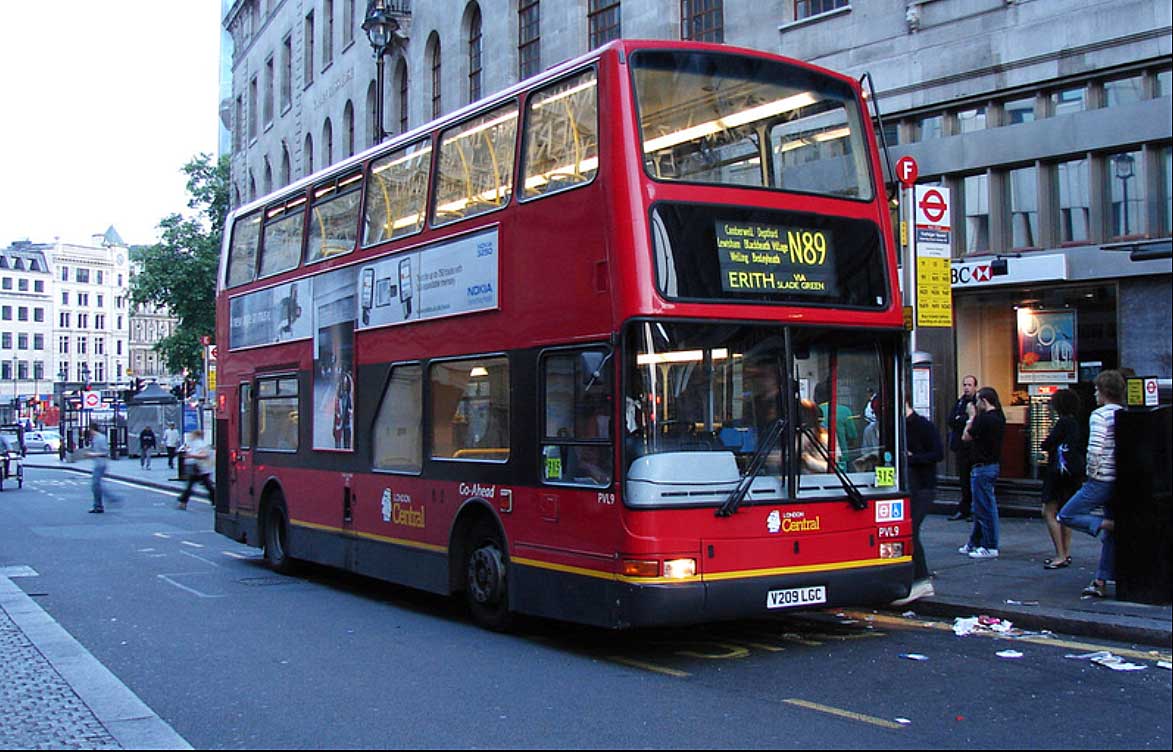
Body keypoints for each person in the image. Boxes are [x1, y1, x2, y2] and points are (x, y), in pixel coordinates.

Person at [1058, 369, 1124, 598]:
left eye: (1096, 389)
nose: (1095, 393)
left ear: (1104, 392)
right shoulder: (1124, 413)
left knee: (1066, 515)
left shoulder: (1099, 415)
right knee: (1110, 539)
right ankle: (1100, 580)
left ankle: (1106, 524)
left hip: (1100, 479)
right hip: (1118, 479)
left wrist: (1091, 473)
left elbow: (1095, 449)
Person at [893, 398, 944, 605]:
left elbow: (938, 454)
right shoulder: (895, 426)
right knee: (906, 531)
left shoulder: (924, 426)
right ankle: (913, 577)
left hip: (923, 486)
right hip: (906, 487)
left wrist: (911, 457)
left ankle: (922, 579)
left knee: (912, 530)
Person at [959, 386, 1005, 559]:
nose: (976, 404)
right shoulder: (999, 417)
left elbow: (966, 436)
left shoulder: (983, 419)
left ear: (984, 401)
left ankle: (990, 545)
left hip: (982, 467)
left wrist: (971, 417)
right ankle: (975, 542)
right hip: (991, 465)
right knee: (980, 506)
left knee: (985, 507)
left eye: (978, 400)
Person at [1040, 389, 1083, 570]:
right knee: (1065, 513)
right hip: (1070, 474)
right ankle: (1065, 552)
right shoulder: (1075, 423)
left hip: (1057, 473)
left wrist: (1047, 444)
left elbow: (1048, 443)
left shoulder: (1062, 423)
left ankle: (1059, 554)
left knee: (1048, 511)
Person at [946, 375, 978, 521]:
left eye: (969, 385)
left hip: (973, 447)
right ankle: (964, 508)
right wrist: (962, 420)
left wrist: (962, 420)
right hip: (961, 447)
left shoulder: (978, 402)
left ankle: (974, 510)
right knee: (964, 480)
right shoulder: (960, 402)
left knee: (974, 480)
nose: (966, 388)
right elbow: (951, 420)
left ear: (975, 387)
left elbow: (975, 421)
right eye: (965, 385)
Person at [176, 429, 215, 510]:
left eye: (192, 435)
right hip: (197, 468)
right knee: (202, 485)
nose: (190, 436)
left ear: (196, 435)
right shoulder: (194, 443)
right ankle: (183, 502)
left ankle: (183, 501)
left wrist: (191, 456)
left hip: (201, 468)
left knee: (204, 485)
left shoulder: (201, 444)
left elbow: (205, 455)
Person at [82, 425, 112, 514]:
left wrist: (92, 455)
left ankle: (111, 498)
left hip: (101, 465)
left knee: (96, 485)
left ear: (92, 429)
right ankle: (98, 506)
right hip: (98, 464)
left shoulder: (101, 438)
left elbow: (106, 452)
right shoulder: (95, 438)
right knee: (96, 486)